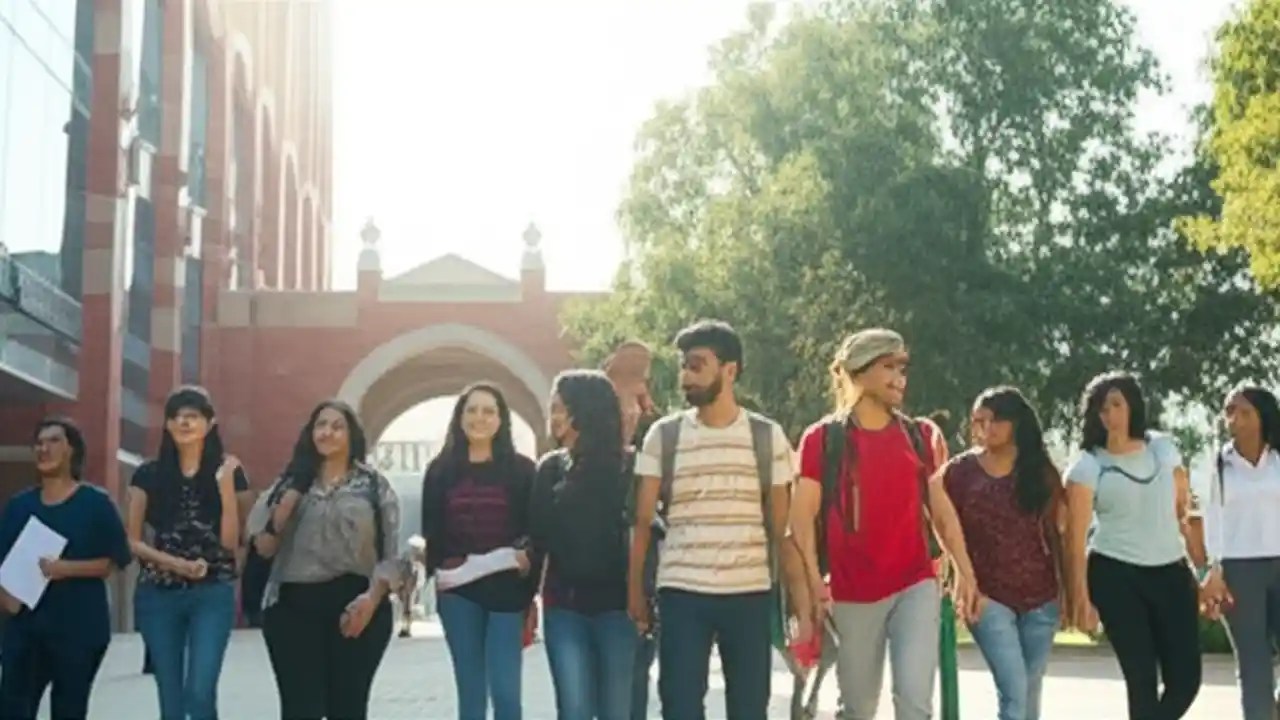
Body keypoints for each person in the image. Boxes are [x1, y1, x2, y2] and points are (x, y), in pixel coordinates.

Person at [789, 328, 979, 720]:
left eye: (902, 368)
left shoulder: (919, 436)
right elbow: (800, 520)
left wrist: (965, 571)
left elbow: (940, 511)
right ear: (859, 372)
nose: (899, 378)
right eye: (888, 367)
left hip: (914, 583)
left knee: (914, 703)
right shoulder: (822, 440)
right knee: (859, 708)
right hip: (852, 591)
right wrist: (812, 582)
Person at [627, 319, 797, 720]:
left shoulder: (766, 436)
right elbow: (641, 522)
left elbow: (781, 528)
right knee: (680, 706)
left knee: (749, 708)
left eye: (697, 365)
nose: (686, 376)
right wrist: (635, 590)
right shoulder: (663, 437)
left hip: (749, 592)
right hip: (683, 592)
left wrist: (800, 599)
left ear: (730, 370)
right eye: (684, 366)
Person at [248, 399, 401, 720]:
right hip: (293, 608)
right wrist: (288, 502)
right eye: (321, 425)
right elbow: (262, 548)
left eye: (337, 426)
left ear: (351, 435)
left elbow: (391, 557)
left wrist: (371, 601)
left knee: (347, 710)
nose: (327, 432)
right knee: (300, 710)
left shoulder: (373, 485)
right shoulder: (288, 482)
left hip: (357, 606)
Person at [1064, 371, 1201, 719]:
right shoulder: (1088, 465)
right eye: (1101, 408)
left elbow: (1184, 511)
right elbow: (1075, 539)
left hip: (1171, 573)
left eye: (1116, 404)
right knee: (1141, 682)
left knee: (1186, 681)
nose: (1109, 414)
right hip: (1116, 575)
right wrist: (1080, 598)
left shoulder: (1163, 449)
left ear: (1133, 407)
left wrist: (1203, 568)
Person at [942, 387, 1067, 720]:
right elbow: (938, 518)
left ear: (1016, 423)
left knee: (1029, 690)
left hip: (1041, 599)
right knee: (1014, 691)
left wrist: (1069, 593)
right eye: (978, 421)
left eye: (994, 420)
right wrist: (959, 576)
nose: (985, 428)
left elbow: (1058, 536)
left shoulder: (1040, 472)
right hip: (988, 598)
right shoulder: (959, 472)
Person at [127, 386, 247, 720]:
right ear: (167, 425)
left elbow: (230, 543)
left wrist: (224, 487)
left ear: (210, 424)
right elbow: (133, 541)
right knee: (171, 698)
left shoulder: (229, 473)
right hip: (158, 593)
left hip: (212, 593)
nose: (184, 422)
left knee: (200, 692)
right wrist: (176, 564)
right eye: (177, 416)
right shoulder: (147, 475)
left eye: (193, 416)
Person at [421, 382, 538, 720]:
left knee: (506, 694)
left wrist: (529, 590)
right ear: (459, 418)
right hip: (457, 593)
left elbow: (534, 531)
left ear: (501, 420)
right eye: (471, 410)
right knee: (471, 695)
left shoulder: (522, 470)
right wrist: (434, 572)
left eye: (489, 411)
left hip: (507, 592)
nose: (479, 418)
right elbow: (432, 531)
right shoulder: (440, 471)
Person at [0, 417, 131, 719]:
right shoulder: (20, 506)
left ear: (72, 450)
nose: (44, 448)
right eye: (39, 443)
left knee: (68, 710)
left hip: (80, 629)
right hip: (25, 630)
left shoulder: (95, 503)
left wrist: (65, 569)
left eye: (54, 441)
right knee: (12, 709)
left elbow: (113, 562)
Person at [531, 370, 637, 720]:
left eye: (561, 408)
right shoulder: (551, 468)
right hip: (565, 608)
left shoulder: (629, 467)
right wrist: (526, 603)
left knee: (616, 712)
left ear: (585, 410)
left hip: (620, 609)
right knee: (574, 710)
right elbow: (538, 539)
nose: (554, 417)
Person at [1200, 385, 1280, 720]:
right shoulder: (1219, 464)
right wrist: (1214, 569)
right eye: (1230, 411)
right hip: (1239, 571)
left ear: (1263, 417)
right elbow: (1211, 517)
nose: (1236, 419)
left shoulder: (1277, 459)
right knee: (1254, 664)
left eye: (1245, 412)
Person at [397, 535, 427, 637]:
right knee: (407, 601)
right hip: (408, 581)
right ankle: (405, 627)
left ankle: (405, 627)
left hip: (408, 581)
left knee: (407, 602)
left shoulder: (413, 565)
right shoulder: (413, 565)